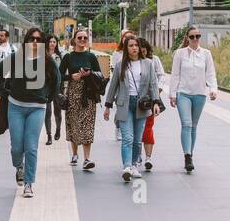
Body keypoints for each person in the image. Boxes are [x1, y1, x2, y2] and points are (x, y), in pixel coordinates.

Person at [3, 27, 58, 198]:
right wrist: (5, 92)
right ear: (26, 41)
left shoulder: (48, 62)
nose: (35, 42)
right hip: (16, 107)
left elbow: (57, 81)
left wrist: (47, 98)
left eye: (38, 39)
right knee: (17, 147)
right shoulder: (16, 58)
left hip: (37, 108)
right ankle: (19, 166)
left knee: (31, 147)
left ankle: (28, 183)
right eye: (32, 39)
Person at [103, 34, 161, 183]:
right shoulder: (120, 65)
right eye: (130, 46)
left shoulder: (148, 63)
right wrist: (108, 106)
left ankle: (135, 165)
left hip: (142, 104)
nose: (134, 48)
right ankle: (127, 167)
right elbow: (113, 86)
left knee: (137, 139)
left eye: (136, 45)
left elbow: (153, 84)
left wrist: (156, 102)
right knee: (127, 137)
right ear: (126, 48)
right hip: (125, 104)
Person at [169, 25, 219, 173]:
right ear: (187, 38)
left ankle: (191, 152)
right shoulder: (180, 53)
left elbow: (210, 73)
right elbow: (175, 74)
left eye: (198, 36)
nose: (195, 39)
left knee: (194, 125)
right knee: (186, 123)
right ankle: (187, 156)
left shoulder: (206, 54)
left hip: (199, 94)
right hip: (183, 93)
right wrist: (172, 94)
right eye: (192, 37)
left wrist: (213, 89)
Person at [59, 29, 103, 170]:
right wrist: (71, 77)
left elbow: (99, 75)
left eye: (85, 37)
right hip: (73, 93)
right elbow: (59, 76)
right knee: (74, 122)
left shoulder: (91, 56)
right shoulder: (68, 57)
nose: (82, 40)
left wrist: (89, 73)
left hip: (88, 93)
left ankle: (87, 159)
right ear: (74, 40)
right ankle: (74, 153)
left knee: (87, 124)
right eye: (80, 37)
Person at [136, 36, 163, 171]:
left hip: (150, 99)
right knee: (136, 129)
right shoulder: (131, 62)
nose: (142, 54)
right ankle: (137, 155)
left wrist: (157, 92)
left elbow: (160, 76)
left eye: (144, 51)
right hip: (135, 100)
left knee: (148, 127)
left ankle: (148, 157)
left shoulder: (154, 60)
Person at [44, 34, 64, 145]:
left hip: (58, 87)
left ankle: (58, 129)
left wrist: (63, 87)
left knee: (57, 111)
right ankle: (49, 135)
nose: (52, 43)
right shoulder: (43, 55)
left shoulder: (60, 56)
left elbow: (63, 73)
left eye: (54, 42)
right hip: (46, 87)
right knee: (47, 112)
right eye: (50, 41)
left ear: (56, 44)